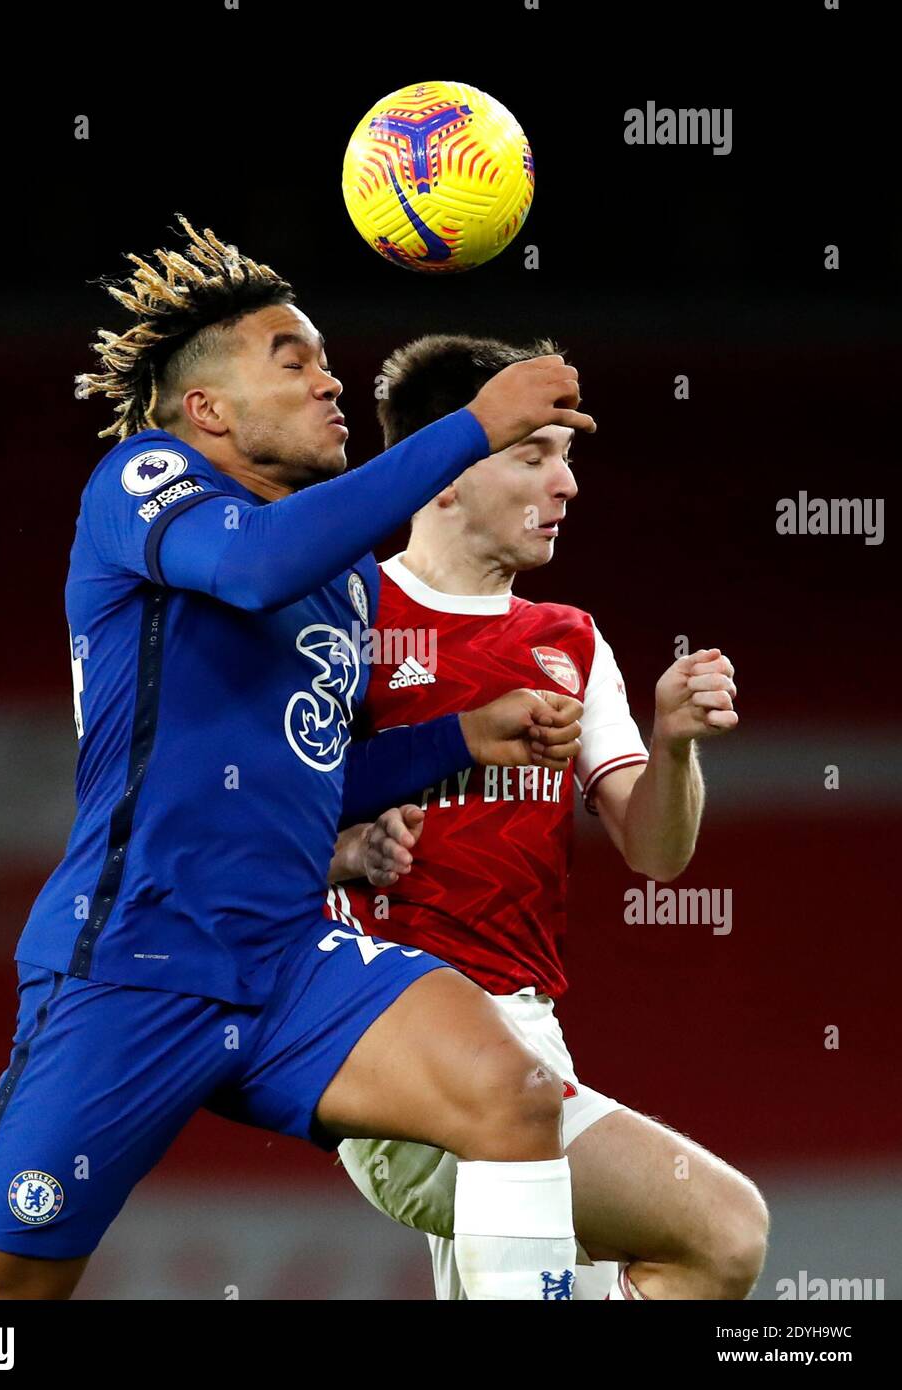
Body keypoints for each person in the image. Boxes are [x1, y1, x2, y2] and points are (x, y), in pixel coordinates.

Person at [0, 220, 599, 1300]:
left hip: (287, 958)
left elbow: (309, 777)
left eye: (330, 362)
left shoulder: (340, 581)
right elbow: (250, 565)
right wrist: (475, 426)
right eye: (296, 362)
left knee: (512, 1094)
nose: (331, 384)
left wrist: (457, 742)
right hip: (136, 959)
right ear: (208, 411)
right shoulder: (146, 483)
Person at [329, 333, 769, 1301]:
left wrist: (675, 741)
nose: (564, 486)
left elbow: (656, 851)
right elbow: (252, 828)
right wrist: (351, 849)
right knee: (721, 1232)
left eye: (566, 460)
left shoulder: (568, 638)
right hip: (396, 1043)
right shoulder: (344, 615)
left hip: (531, 1034)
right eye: (533, 456)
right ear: (440, 472)